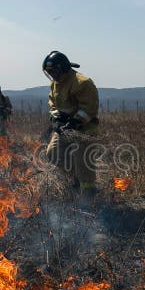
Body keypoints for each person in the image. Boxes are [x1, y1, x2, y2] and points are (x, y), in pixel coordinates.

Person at [42, 50, 99, 201]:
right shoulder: (55, 84)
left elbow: (90, 108)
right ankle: (75, 181)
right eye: (50, 72)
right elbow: (52, 103)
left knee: (83, 161)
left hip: (84, 129)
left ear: (63, 68)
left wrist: (75, 122)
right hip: (64, 129)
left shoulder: (82, 82)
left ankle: (88, 194)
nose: (52, 74)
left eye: (54, 71)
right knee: (53, 153)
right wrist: (56, 118)